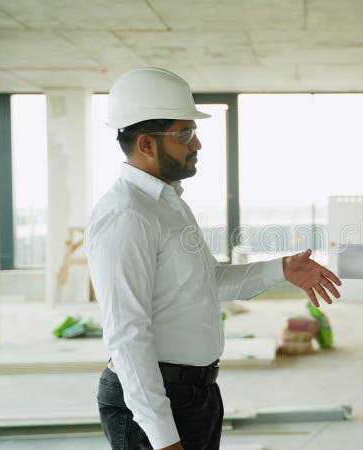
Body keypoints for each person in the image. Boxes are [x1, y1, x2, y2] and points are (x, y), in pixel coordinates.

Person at [85, 67, 342, 450]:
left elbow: (208, 282)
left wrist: (282, 269)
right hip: (156, 406)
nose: (197, 144)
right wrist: (162, 437)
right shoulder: (126, 215)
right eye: (184, 134)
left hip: (196, 395)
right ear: (145, 144)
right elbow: (127, 335)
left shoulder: (168, 203)